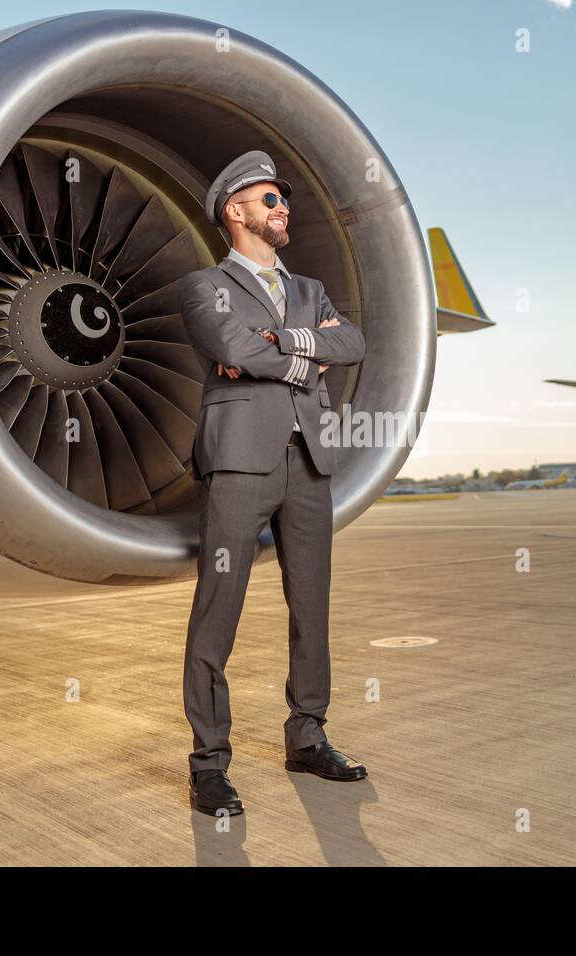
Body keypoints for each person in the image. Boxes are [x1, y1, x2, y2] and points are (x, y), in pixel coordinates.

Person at [177, 150, 367, 816]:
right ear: (235, 211)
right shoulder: (205, 287)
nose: (283, 209)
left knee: (310, 606)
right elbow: (233, 349)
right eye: (269, 200)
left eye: (282, 201)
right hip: (239, 459)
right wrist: (302, 356)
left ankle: (308, 736)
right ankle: (208, 764)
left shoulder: (311, 290)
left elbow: (353, 345)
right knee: (217, 609)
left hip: (308, 461)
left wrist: (280, 342)